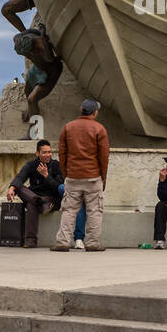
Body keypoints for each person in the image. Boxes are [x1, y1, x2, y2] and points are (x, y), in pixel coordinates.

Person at [52, 99, 108, 252]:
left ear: (81, 109)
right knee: (95, 211)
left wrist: (66, 173)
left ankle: (63, 242)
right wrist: (103, 178)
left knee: (69, 210)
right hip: (93, 177)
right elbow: (104, 157)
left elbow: (62, 154)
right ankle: (92, 243)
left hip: (72, 177)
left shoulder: (68, 127)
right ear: (95, 112)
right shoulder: (99, 129)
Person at [6, 139, 64, 249]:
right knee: (19, 188)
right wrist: (11, 188)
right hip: (35, 196)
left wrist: (46, 175)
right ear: (37, 153)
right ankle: (37, 200)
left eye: (49, 152)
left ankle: (30, 240)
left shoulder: (56, 165)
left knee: (31, 204)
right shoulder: (31, 165)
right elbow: (20, 177)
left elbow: (59, 187)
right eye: (45, 152)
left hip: (51, 199)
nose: (48, 155)